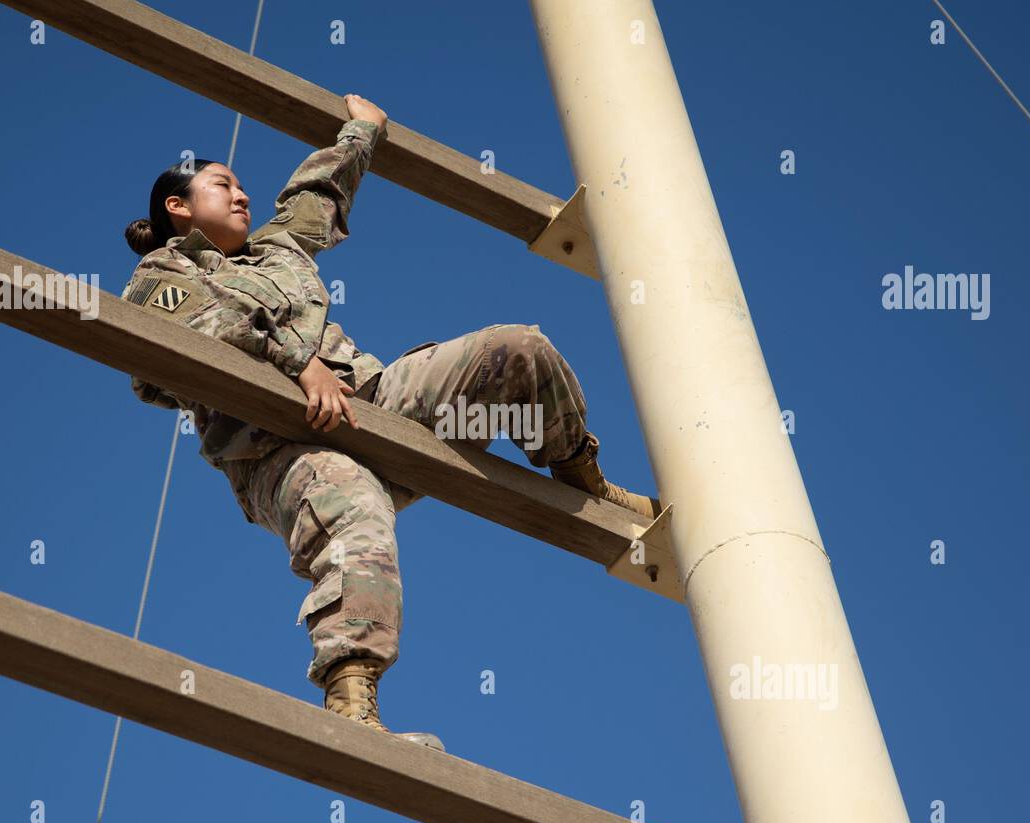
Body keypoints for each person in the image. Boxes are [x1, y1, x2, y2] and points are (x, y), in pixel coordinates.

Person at [121, 93, 660, 752]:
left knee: (518, 348)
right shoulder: (159, 276)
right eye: (222, 185)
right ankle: (351, 701)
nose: (242, 194)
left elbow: (318, 190)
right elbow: (199, 337)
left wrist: (362, 130)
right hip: (277, 450)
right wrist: (300, 364)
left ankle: (581, 471)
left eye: (241, 185)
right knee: (354, 510)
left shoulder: (277, 249)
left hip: (374, 405)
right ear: (178, 208)